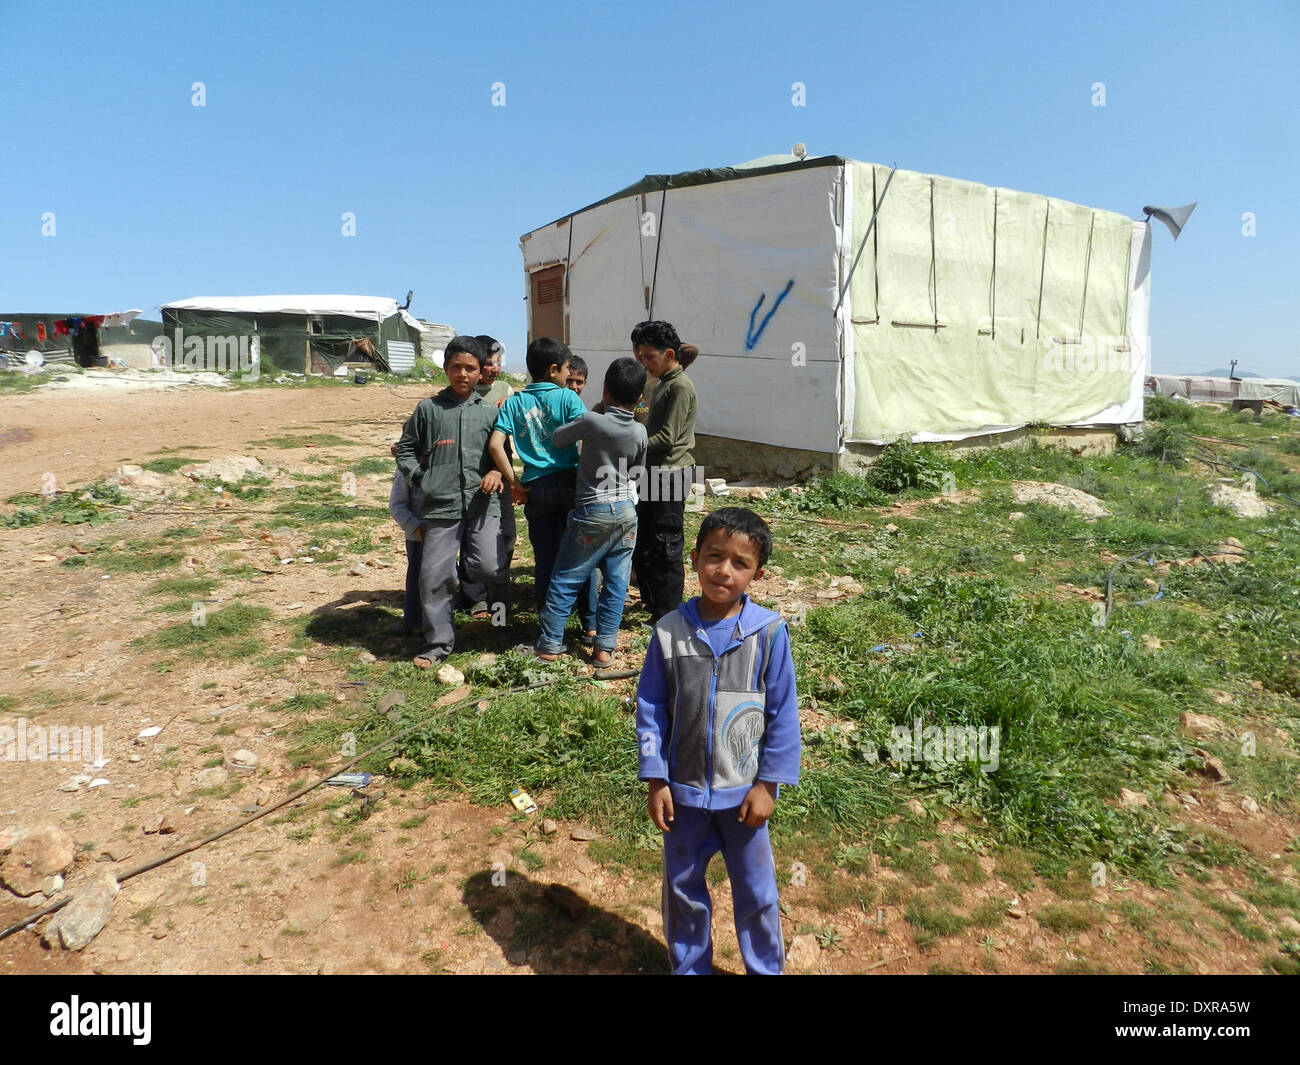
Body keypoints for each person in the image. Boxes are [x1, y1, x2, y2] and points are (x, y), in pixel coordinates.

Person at [636, 507, 800, 975]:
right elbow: (650, 708)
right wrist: (656, 778)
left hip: (743, 798)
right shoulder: (669, 632)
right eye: (713, 556)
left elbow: (782, 714)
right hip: (682, 796)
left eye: (739, 563)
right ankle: (690, 967)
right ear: (694, 558)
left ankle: (765, 968)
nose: (723, 571)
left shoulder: (768, 634)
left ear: (758, 573)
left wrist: (768, 784)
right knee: (683, 890)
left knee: (758, 893)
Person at [395, 336, 506, 668]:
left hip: (483, 504)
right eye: (456, 367)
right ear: (445, 369)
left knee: (489, 566)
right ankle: (438, 643)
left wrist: (498, 475)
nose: (463, 374)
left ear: (479, 371)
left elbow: (504, 457)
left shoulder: (489, 412)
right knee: (433, 576)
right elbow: (405, 449)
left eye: (470, 368)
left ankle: (497, 620)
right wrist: (420, 479)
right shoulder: (428, 409)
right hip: (441, 507)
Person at [536, 358, 648, 665]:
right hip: (626, 511)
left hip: (592, 510)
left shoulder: (592, 421)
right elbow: (637, 471)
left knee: (566, 577)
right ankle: (603, 648)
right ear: (640, 399)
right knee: (616, 582)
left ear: (605, 390)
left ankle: (549, 643)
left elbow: (559, 437)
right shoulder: (640, 431)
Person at [488, 337, 586, 612]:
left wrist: (514, 482)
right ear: (553, 369)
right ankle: (576, 609)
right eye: (568, 369)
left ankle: (547, 611)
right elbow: (589, 436)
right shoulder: (568, 398)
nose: (570, 375)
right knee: (574, 551)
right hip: (569, 483)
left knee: (544, 555)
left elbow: (496, 444)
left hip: (535, 488)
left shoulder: (514, 402)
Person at [630, 321, 699, 621]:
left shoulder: (680, 387)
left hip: (670, 474)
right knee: (643, 542)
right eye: (639, 356)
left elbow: (668, 437)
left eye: (648, 357)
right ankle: (651, 601)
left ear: (669, 353)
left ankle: (668, 611)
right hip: (651, 472)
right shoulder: (659, 383)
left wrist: (630, 441)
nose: (643, 363)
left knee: (666, 543)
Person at [561, 353, 599, 643]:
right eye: (570, 380)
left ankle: (588, 618)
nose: (574, 386)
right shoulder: (559, 406)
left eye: (579, 382)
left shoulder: (585, 410)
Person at [387, 440, 425, 637]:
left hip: (441, 532)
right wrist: (415, 526)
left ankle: (441, 617)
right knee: (418, 576)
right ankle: (415, 620)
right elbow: (396, 506)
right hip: (418, 535)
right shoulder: (406, 471)